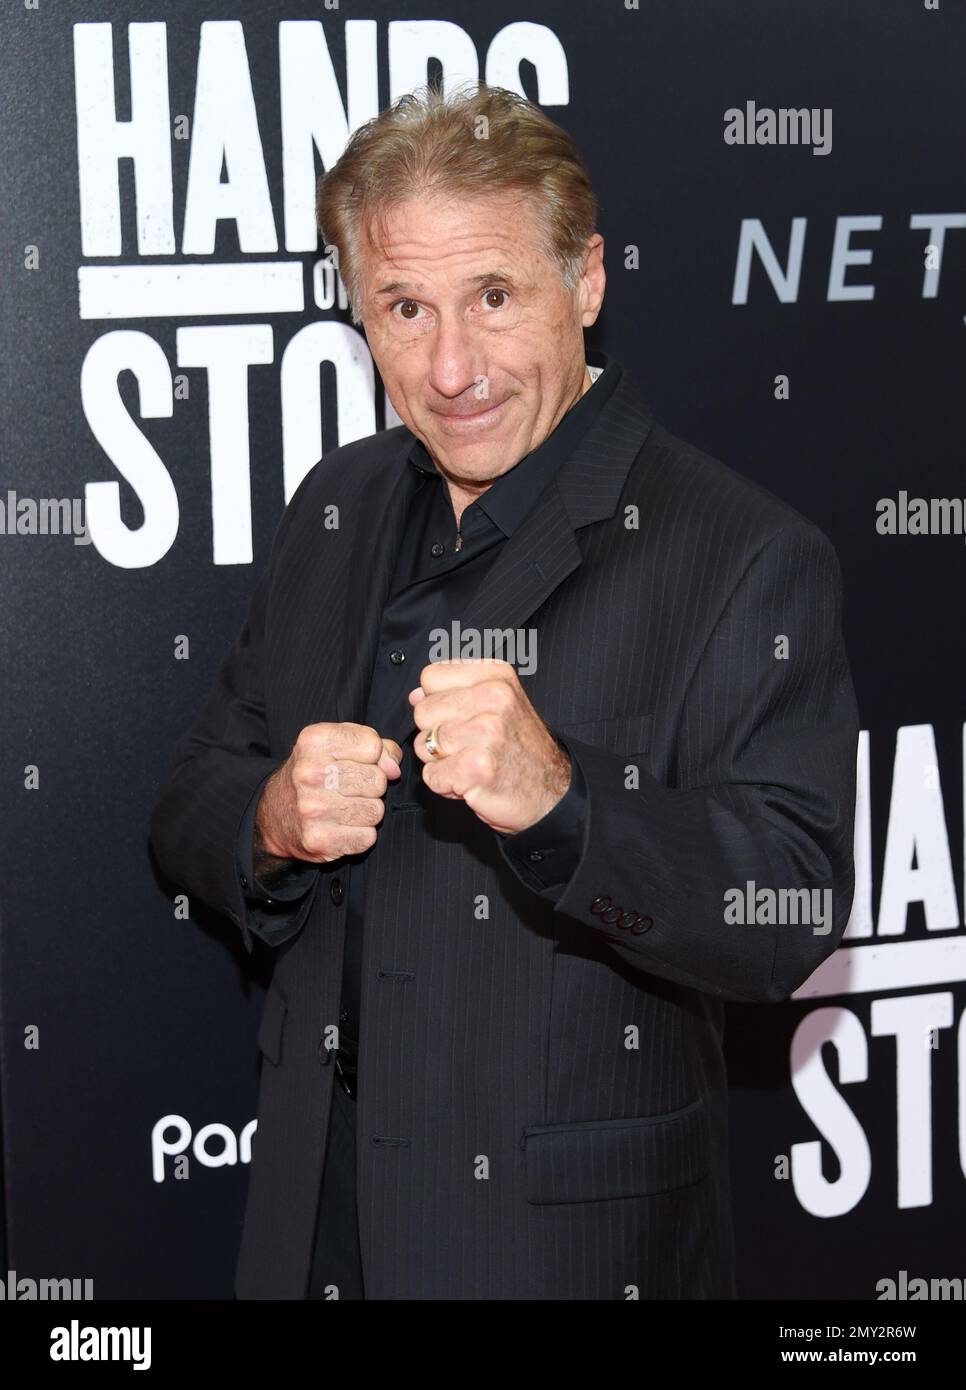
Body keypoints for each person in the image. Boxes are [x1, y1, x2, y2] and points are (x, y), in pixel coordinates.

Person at [149, 82, 858, 1301]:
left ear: (584, 280)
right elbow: (187, 804)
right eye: (403, 309)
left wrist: (570, 807)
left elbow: (790, 909)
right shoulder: (338, 503)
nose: (451, 367)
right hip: (310, 1229)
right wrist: (269, 819)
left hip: (559, 1257)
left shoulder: (744, 552)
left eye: (493, 296)